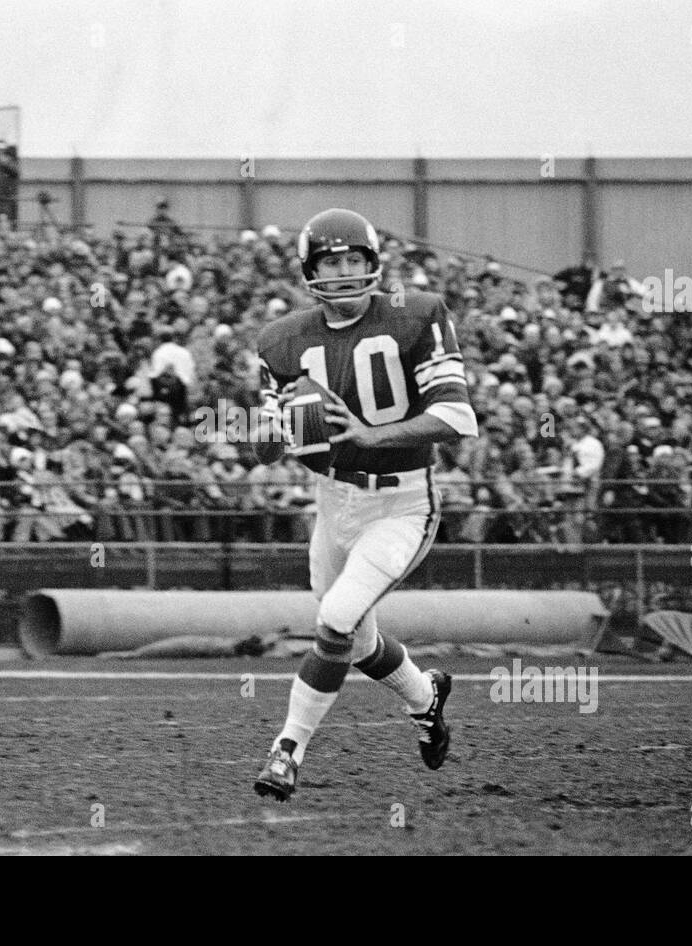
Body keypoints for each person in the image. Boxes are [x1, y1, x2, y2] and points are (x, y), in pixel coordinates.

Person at [249, 208, 478, 801]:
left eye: (355, 260)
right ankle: (426, 699)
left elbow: (456, 416)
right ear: (311, 270)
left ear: (374, 265)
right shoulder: (281, 341)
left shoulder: (417, 314)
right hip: (333, 503)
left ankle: (286, 751)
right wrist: (269, 436)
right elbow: (264, 450)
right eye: (332, 261)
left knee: (335, 622)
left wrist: (372, 435)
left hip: (402, 502)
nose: (345, 272)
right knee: (358, 641)